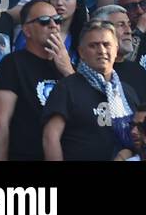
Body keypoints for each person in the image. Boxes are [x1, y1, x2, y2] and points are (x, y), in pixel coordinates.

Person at [41, 21, 140, 160]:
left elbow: (138, 138)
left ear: (116, 48)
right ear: (81, 52)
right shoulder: (66, 88)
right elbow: (50, 137)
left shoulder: (127, 92)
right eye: (93, 45)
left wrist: (125, 154)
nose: (101, 50)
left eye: (106, 44)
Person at [0, 0, 75, 161]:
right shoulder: (13, 63)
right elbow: (1, 123)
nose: (53, 25)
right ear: (26, 31)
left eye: (57, 20)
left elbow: (85, 107)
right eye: (44, 21)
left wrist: (68, 70)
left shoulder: (67, 66)